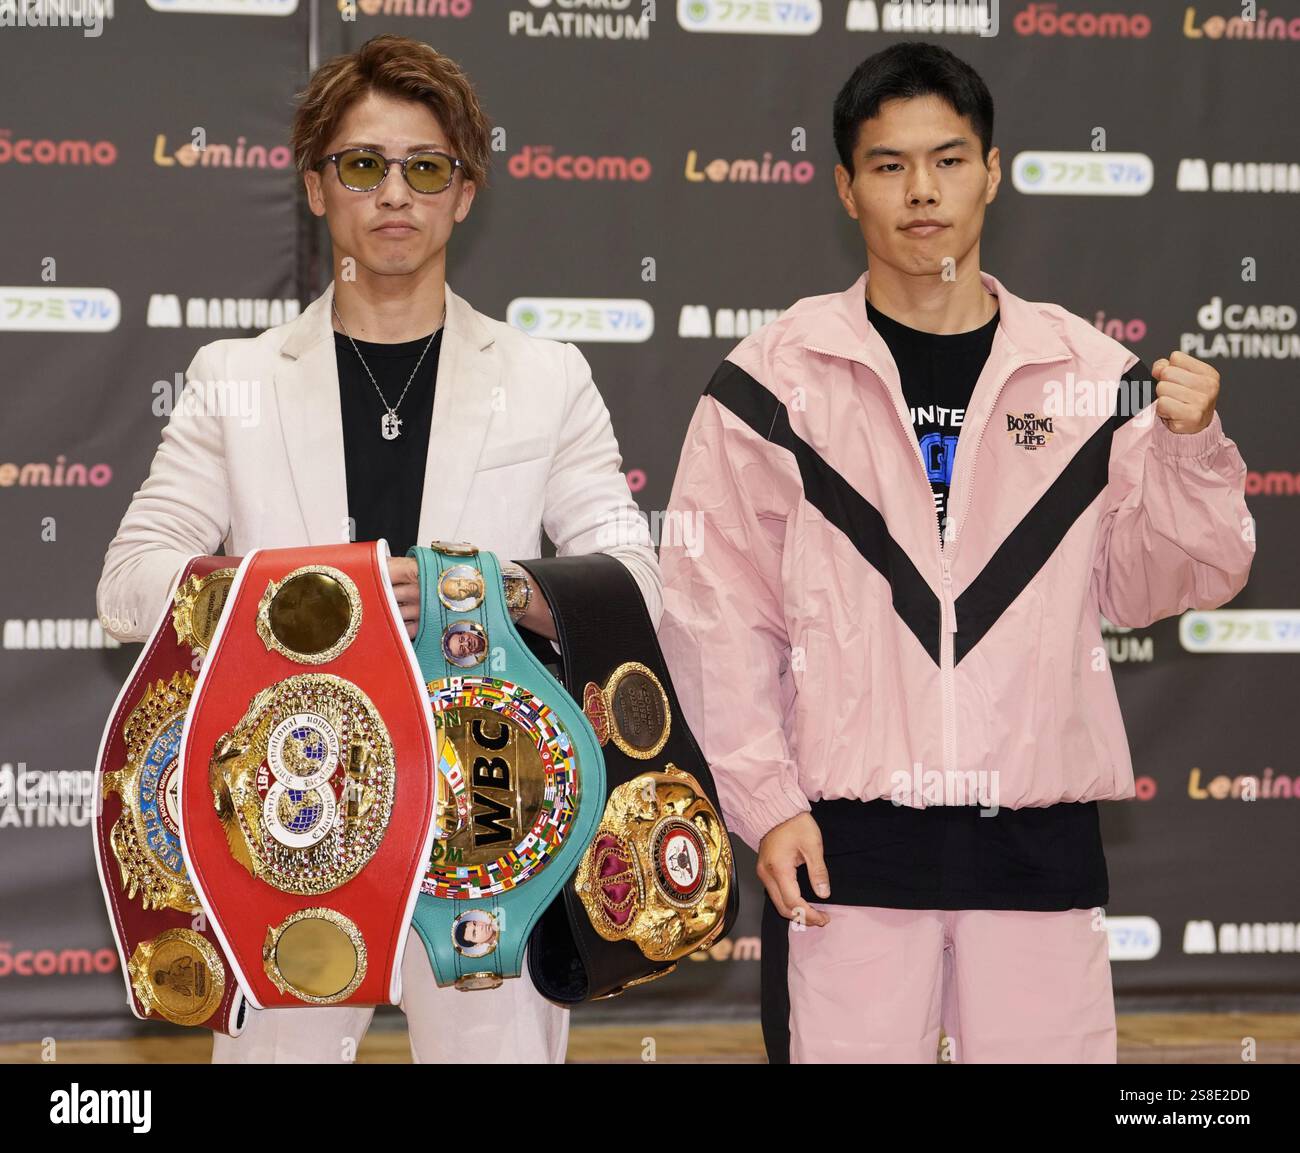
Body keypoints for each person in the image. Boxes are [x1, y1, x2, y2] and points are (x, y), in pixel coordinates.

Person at [656, 41, 1254, 1064]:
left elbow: (1160, 581)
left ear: (992, 171)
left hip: (1035, 843)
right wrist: (766, 803)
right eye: (888, 165)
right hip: (845, 841)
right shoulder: (770, 386)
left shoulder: (1090, 377)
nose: (920, 191)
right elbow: (714, 613)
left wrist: (1192, 453)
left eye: (946, 159)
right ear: (845, 186)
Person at [96, 34, 660, 1064]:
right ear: (316, 188)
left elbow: (636, 582)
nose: (393, 193)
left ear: (464, 192)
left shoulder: (545, 376)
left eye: (425, 167)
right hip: (287, 810)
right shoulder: (235, 377)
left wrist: (487, 589)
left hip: (493, 808)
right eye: (362, 165)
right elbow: (130, 588)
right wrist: (303, 600)